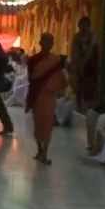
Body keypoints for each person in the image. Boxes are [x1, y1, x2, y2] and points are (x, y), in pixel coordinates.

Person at [25, 33, 68, 166]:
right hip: (37, 95)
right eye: (47, 41)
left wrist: (59, 88)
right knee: (38, 124)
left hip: (50, 97)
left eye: (51, 41)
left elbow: (61, 78)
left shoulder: (56, 60)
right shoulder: (33, 60)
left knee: (48, 125)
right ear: (40, 43)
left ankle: (45, 153)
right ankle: (39, 150)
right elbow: (31, 79)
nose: (49, 44)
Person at [70, 16, 99, 111]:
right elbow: (74, 53)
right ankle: (79, 107)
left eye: (85, 27)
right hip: (79, 67)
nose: (82, 29)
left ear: (89, 26)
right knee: (79, 88)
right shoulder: (77, 37)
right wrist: (75, 67)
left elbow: (95, 53)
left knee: (90, 88)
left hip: (91, 68)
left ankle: (88, 108)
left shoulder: (93, 37)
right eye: (81, 27)